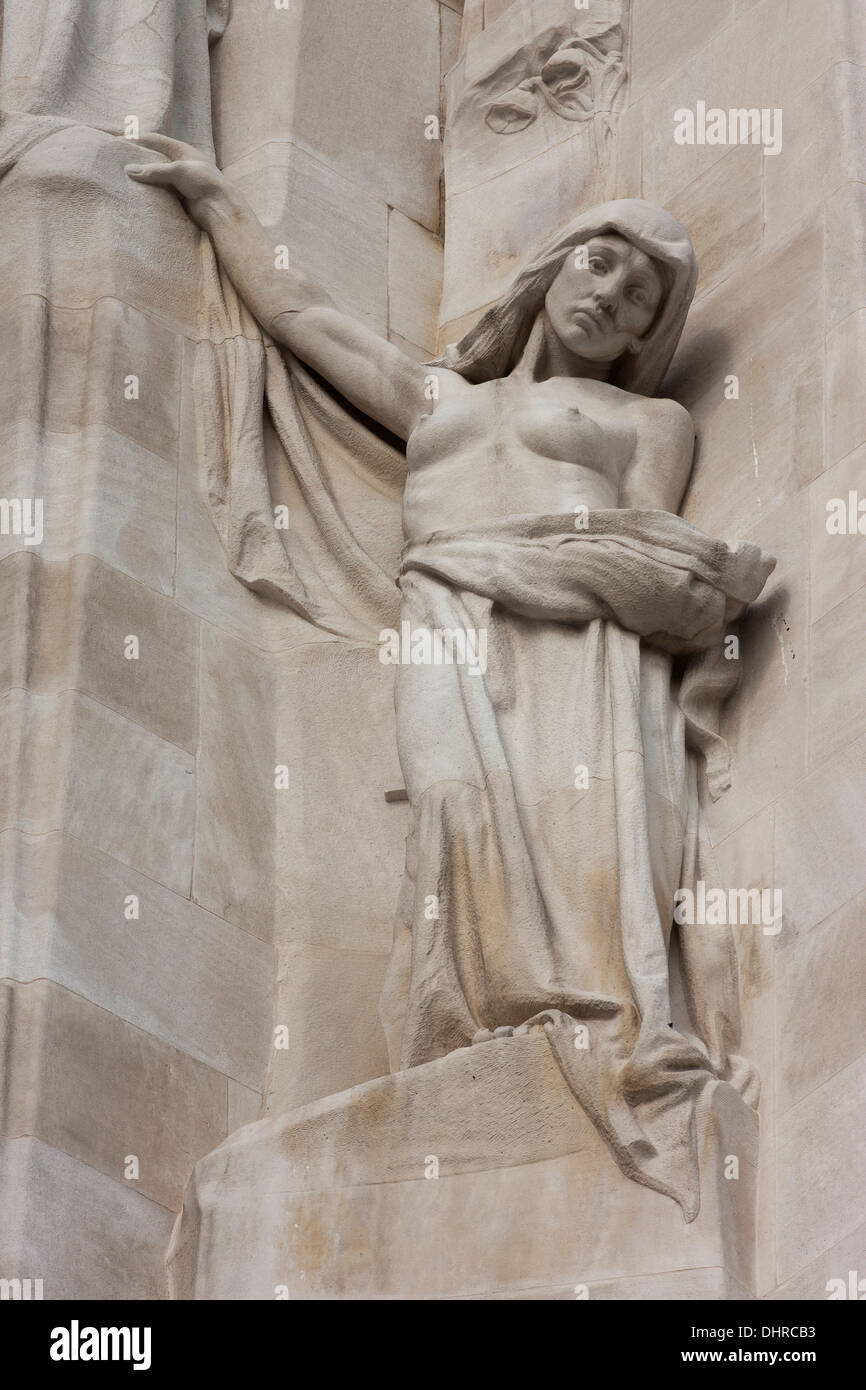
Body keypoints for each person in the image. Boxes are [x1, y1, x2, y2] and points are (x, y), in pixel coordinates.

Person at [127, 138, 774, 1218]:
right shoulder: (436, 400)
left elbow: (646, 553)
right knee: (449, 799)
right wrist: (214, 200)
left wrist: (698, 586)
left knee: (584, 834)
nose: (611, 301)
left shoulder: (646, 422)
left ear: (643, 339)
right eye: (602, 267)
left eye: (639, 303)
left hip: (580, 646)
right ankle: (481, 1020)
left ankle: (595, 1021)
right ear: (555, 264)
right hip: (443, 617)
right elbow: (300, 320)